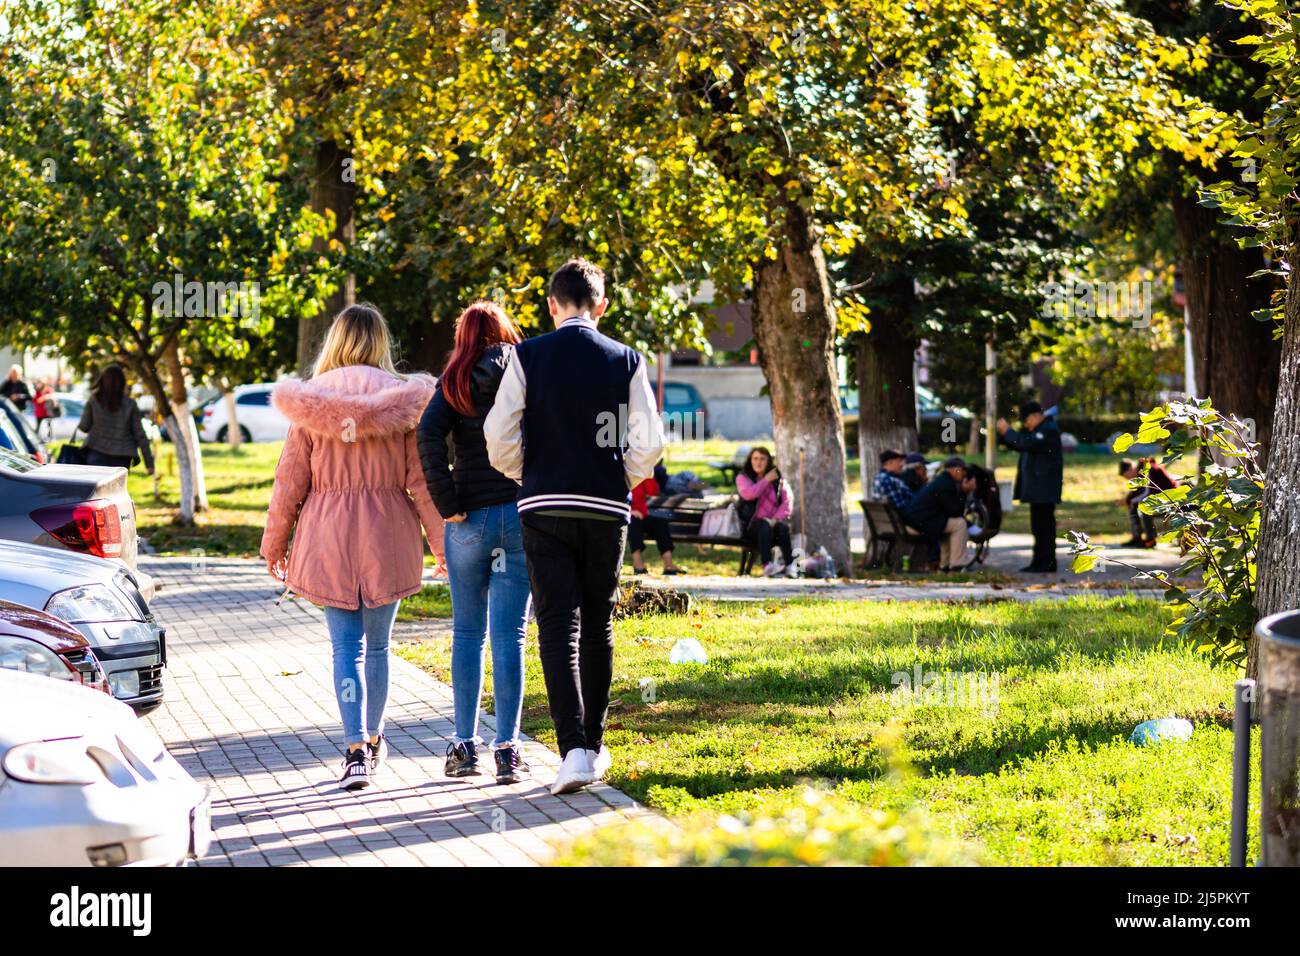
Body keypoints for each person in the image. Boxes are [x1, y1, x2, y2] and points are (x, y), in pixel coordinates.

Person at [484, 258, 664, 795]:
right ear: (601, 306)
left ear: (551, 305)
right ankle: (593, 740)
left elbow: (499, 435)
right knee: (598, 622)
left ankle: (572, 751)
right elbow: (649, 443)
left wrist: (528, 475)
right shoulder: (626, 359)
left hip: (543, 505)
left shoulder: (527, 356)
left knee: (556, 624)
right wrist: (616, 479)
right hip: (606, 508)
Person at [261, 303, 445, 792]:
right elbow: (421, 483)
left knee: (346, 647)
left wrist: (274, 543)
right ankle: (376, 736)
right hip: (389, 532)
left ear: (335, 341)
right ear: (380, 342)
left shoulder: (311, 405)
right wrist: (443, 546)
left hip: (328, 534)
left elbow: (289, 482)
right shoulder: (403, 403)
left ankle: (355, 748)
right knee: (379, 646)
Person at [417, 300, 533, 785]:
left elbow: (426, 435)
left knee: (468, 634)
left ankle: (465, 746)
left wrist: (446, 503)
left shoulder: (454, 381)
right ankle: (507, 749)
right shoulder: (527, 373)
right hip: (519, 515)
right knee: (511, 637)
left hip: (468, 520)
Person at [997, 401, 1064, 573]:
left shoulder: (1048, 430)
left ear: (1035, 416)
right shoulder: (1037, 431)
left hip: (1045, 489)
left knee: (1044, 528)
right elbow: (1020, 443)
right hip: (1038, 489)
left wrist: (1008, 432)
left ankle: (1047, 562)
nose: (1025, 425)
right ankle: (1038, 561)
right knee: (1038, 527)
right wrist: (1004, 436)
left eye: (1026, 420)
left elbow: (1027, 443)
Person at [902, 455, 977, 571]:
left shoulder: (942, 481)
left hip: (918, 521)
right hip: (921, 523)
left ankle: (945, 565)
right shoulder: (946, 485)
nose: (964, 474)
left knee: (950, 524)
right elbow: (956, 512)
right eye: (961, 470)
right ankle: (957, 564)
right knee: (960, 524)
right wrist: (965, 491)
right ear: (953, 470)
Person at [78, 364, 155, 474]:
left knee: (96, 490)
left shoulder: (94, 401)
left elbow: (84, 427)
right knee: (116, 490)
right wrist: (149, 463)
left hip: (96, 452)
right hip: (122, 457)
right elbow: (140, 435)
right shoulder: (130, 404)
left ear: (102, 381)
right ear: (123, 383)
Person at [736, 446, 796, 577]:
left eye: (762, 459)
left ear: (768, 461)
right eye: (755, 458)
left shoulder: (778, 480)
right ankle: (767, 565)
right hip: (751, 527)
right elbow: (749, 494)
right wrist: (766, 480)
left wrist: (774, 519)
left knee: (782, 527)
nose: (758, 462)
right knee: (763, 525)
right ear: (750, 460)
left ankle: (791, 566)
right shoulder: (743, 477)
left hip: (773, 523)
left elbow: (788, 502)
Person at [629, 473, 685, 575]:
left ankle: (668, 565)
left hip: (643, 515)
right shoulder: (623, 474)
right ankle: (638, 564)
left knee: (660, 523)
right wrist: (630, 511)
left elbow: (653, 491)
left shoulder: (640, 473)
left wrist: (647, 474)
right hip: (628, 516)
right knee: (633, 523)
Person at [1119, 457, 1178, 548]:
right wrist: (1129, 500)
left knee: (1144, 508)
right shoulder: (1140, 473)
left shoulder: (1147, 468)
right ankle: (1137, 538)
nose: (1129, 479)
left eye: (1127, 476)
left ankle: (1150, 539)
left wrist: (1128, 501)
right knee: (1134, 505)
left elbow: (1146, 492)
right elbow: (1137, 491)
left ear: (1131, 469)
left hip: (1172, 499)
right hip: (1160, 499)